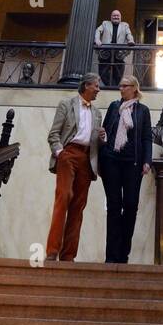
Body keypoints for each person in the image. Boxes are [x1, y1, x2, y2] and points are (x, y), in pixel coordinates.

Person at [46, 74, 105, 262]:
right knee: (63, 198)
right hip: (68, 155)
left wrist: (102, 138)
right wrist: (60, 153)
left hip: (87, 160)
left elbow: (95, 141)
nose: (98, 89)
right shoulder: (67, 104)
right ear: (86, 86)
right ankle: (52, 251)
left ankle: (68, 256)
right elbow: (54, 134)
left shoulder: (97, 113)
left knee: (78, 207)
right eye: (96, 86)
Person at [100, 75, 152, 263]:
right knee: (114, 207)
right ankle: (111, 256)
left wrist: (147, 160)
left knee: (130, 207)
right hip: (111, 161)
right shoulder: (114, 107)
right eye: (120, 85)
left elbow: (147, 137)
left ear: (134, 88)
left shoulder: (143, 111)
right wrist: (102, 142)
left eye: (125, 86)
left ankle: (123, 254)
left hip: (133, 164)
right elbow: (105, 131)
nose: (121, 89)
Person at [94, 9, 135, 87]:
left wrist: (131, 40)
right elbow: (98, 31)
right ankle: (111, 86)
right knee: (103, 71)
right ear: (111, 17)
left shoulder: (125, 25)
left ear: (120, 17)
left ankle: (114, 86)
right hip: (106, 52)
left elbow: (129, 34)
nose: (116, 17)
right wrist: (97, 39)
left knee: (118, 72)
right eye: (114, 15)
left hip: (118, 53)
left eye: (117, 15)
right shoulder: (105, 23)